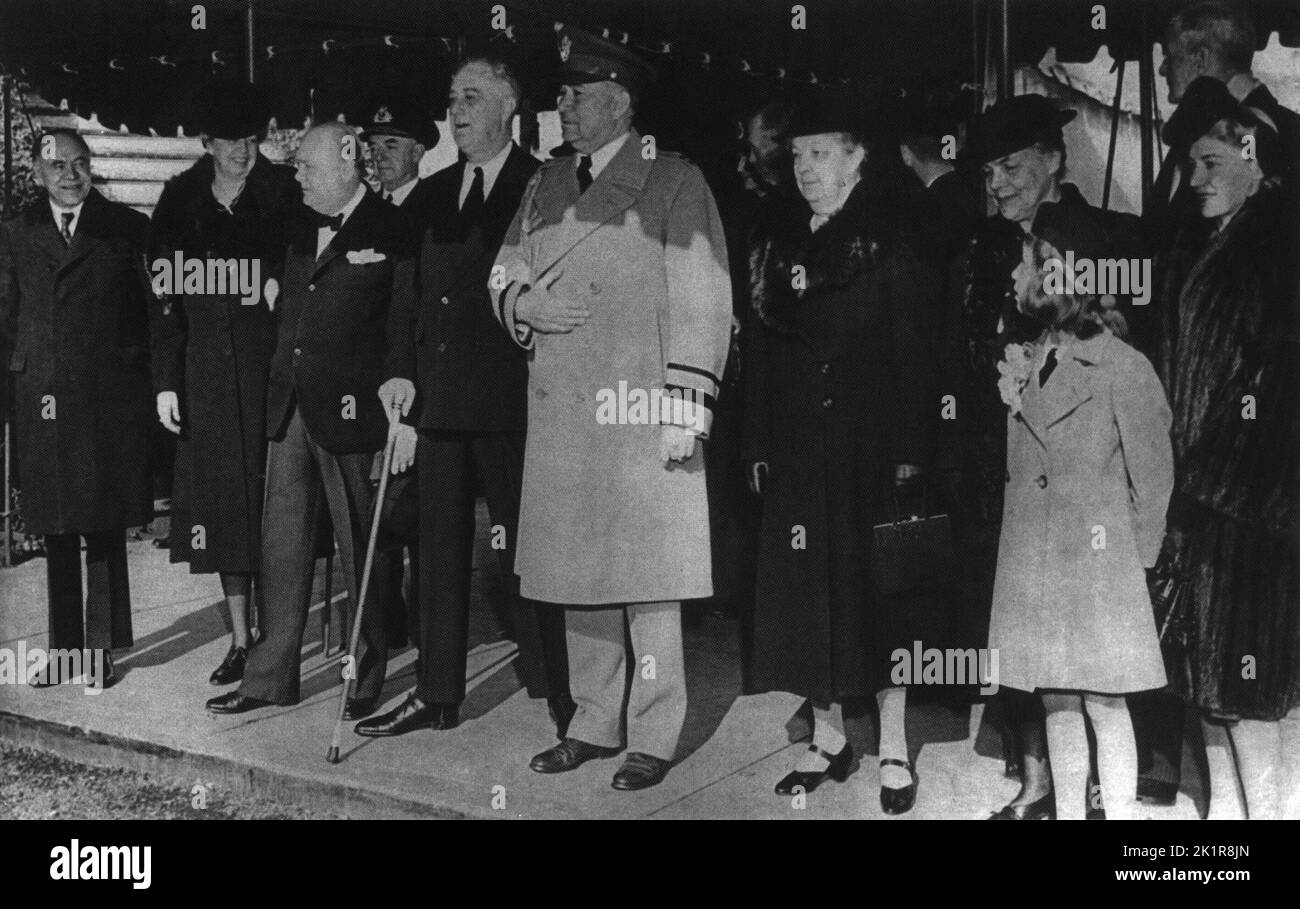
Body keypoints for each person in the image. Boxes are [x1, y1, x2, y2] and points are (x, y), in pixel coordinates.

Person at [491, 28, 732, 791]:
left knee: (647, 578)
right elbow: (503, 266)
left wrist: (687, 400)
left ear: (619, 103)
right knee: (577, 572)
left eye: (576, 94)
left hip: (639, 408)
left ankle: (653, 731)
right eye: (561, 93)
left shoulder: (672, 179)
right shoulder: (545, 183)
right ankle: (593, 719)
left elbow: (705, 290)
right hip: (566, 414)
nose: (561, 105)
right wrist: (523, 300)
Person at [361, 57, 574, 739]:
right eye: (453, 99)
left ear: (509, 106)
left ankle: (559, 688)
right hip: (442, 403)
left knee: (527, 550)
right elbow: (408, 291)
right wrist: (399, 370)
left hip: (516, 404)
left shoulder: (543, 186)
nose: (457, 111)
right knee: (439, 553)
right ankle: (437, 691)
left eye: (473, 98)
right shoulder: (433, 190)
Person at [742, 96, 935, 813]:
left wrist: (911, 454)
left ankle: (891, 747)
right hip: (796, 454)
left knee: (877, 603)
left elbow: (917, 359)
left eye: (821, 155)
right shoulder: (776, 240)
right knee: (808, 600)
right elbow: (760, 356)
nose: (805, 170)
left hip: (870, 455)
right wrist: (757, 441)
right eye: (796, 156)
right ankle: (827, 737)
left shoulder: (890, 241)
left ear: (857, 158)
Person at [206, 122, 401, 717]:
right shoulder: (296, 225)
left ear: (347, 161)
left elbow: (401, 324)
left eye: (306, 167)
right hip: (290, 407)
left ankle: (363, 682)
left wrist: (403, 407)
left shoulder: (393, 229)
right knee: (282, 548)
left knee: (361, 547)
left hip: (354, 412)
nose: (298, 177)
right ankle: (268, 679)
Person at [989, 201, 1174, 821]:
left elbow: (1154, 477)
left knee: (1105, 702)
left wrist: (1134, 564)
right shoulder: (1029, 355)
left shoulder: (1124, 367)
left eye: (1031, 260)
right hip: (1038, 565)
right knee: (1056, 700)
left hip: (1098, 567)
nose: (1018, 273)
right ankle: (1069, 811)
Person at [1157, 82, 1300, 819]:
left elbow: (1279, 388)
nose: (1197, 179)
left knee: (1250, 690)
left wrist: (1213, 476)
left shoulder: (1279, 241)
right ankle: (1226, 821)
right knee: (1207, 682)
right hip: (1201, 504)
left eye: (1211, 161)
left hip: (1252, 510)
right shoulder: (1203, 238)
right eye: (1190, 164)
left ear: (1253, 155)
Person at [149, 81, 299, 686]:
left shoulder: (285, 193)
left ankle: (279, 636)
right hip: (207, 376)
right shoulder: (180, 199)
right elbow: (163, 294)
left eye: (251, 137)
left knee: (277, 510)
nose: (242, 149)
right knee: (224, 508)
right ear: (205, 142)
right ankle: (241, 638)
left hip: (274, 374)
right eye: (230, 139)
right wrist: (166, 381)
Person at [0, 129, 153, 689]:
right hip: (39, 395)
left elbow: (152, 313)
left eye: (80, 163)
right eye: (57, 166)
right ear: (37, 176)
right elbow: (4, 316)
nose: (70, 174)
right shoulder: (17, 234)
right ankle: (63, 651)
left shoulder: (125, 229)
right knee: (55, 526)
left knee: (103, 521)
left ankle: (100, 649)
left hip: (105, 397)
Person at [360, 92, 441, 650]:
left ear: (418, 150)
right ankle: (383, 627)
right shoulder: (364, 215)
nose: (380, 155)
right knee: (375, 513)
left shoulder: (431, 214)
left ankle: (421, 626)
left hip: (414, 384)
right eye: (373, 144)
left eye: (392, 144)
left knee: (410, 512)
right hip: (365, 386)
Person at [1152, 1, 1300, 240]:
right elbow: (1159, 231)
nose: (1161, 69)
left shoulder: (1286, 139)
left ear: (1200, 59)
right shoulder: (1193, 129)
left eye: (1169, 56)